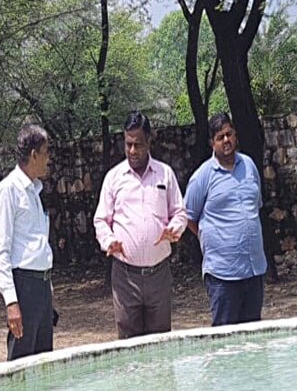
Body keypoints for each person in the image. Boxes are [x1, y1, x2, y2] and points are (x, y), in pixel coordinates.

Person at [93, 111, 186, 338]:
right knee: (129, 347)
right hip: (125, 277)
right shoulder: (114, 178)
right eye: (128, 144)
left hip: (159, 275)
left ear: (149, 141)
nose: (133, 151)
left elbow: (180, 212)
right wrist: (109, 241)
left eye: (138, 145)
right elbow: (101, 220)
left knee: (161, 344)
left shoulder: (165, 174)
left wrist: (175, 228)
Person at [185, 112, 267, 326]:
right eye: (220, 137)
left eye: (229, 134)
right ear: (212, 143)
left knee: (254, 342)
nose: (226, 141)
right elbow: (189, 217)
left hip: (253, 271)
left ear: (235, 134)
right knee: (226, 345)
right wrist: (211, 237)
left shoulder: (249, 166)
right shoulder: (203, 176)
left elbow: (255, 207)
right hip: (223, 276)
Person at [0, 124, 55, 360]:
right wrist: (11, 301)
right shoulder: (9, 190)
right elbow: (3, 251)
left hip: (41, 285)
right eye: (46, 152)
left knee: (44, 361)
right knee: (21, 361)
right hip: (24, 285)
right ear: (34, 155)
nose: (48, 159)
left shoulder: (35, 191)